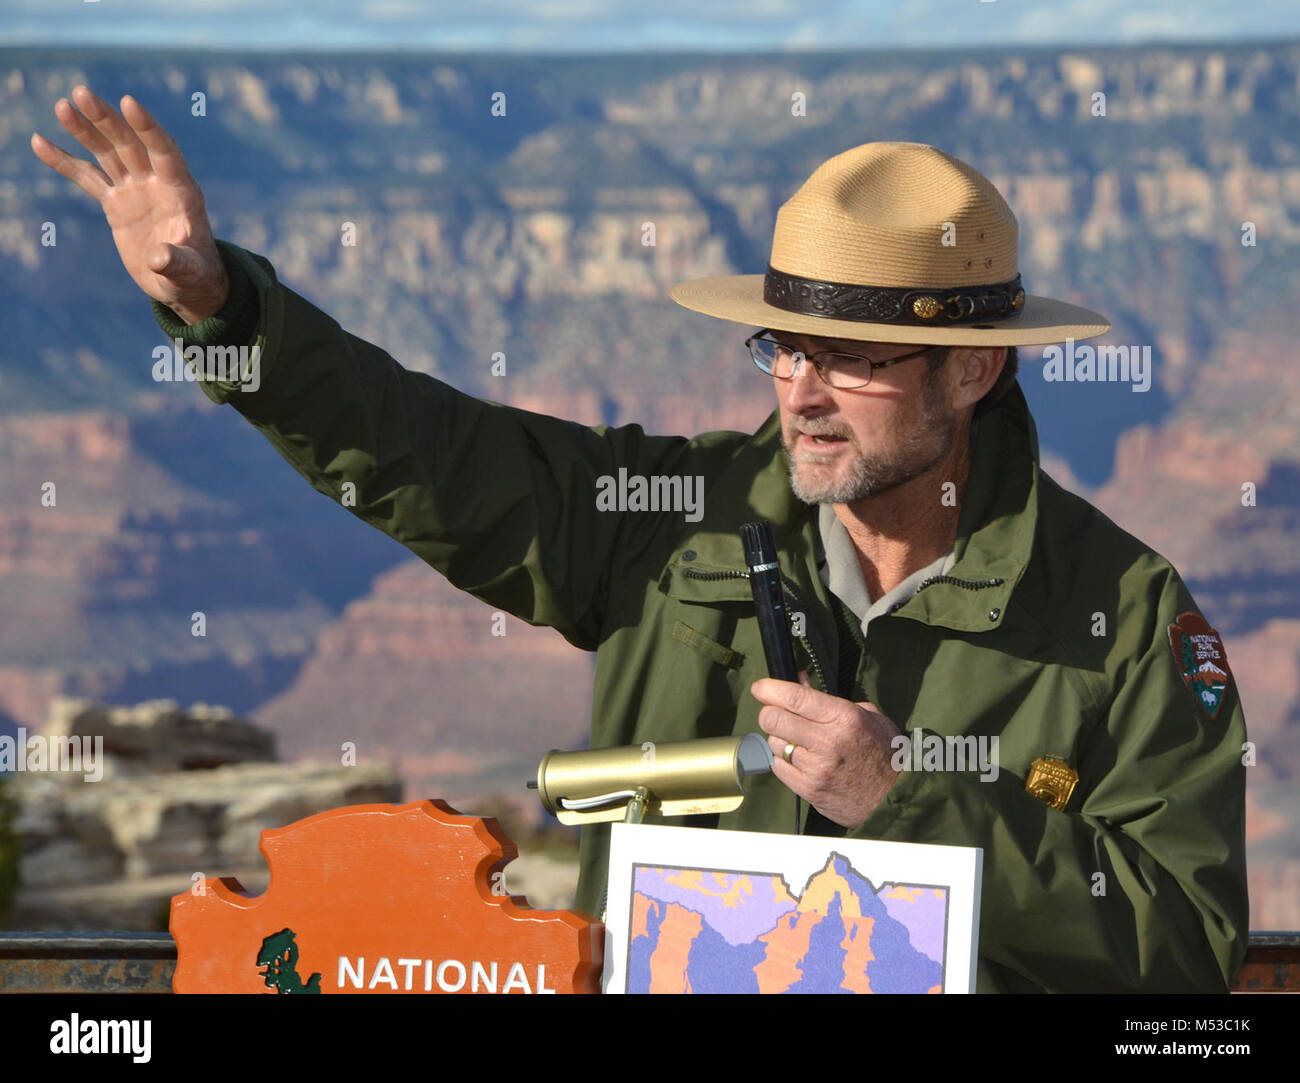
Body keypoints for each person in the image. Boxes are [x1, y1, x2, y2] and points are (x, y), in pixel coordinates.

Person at [32, 87, 1249, 993]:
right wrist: (225, 310)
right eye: (784, 346)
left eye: (855, 358)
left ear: (973, 368)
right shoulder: (672, 525)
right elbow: (427, 453)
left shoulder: (1122, 617)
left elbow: (1185, 946)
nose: (802, 392)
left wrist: (912, 800)